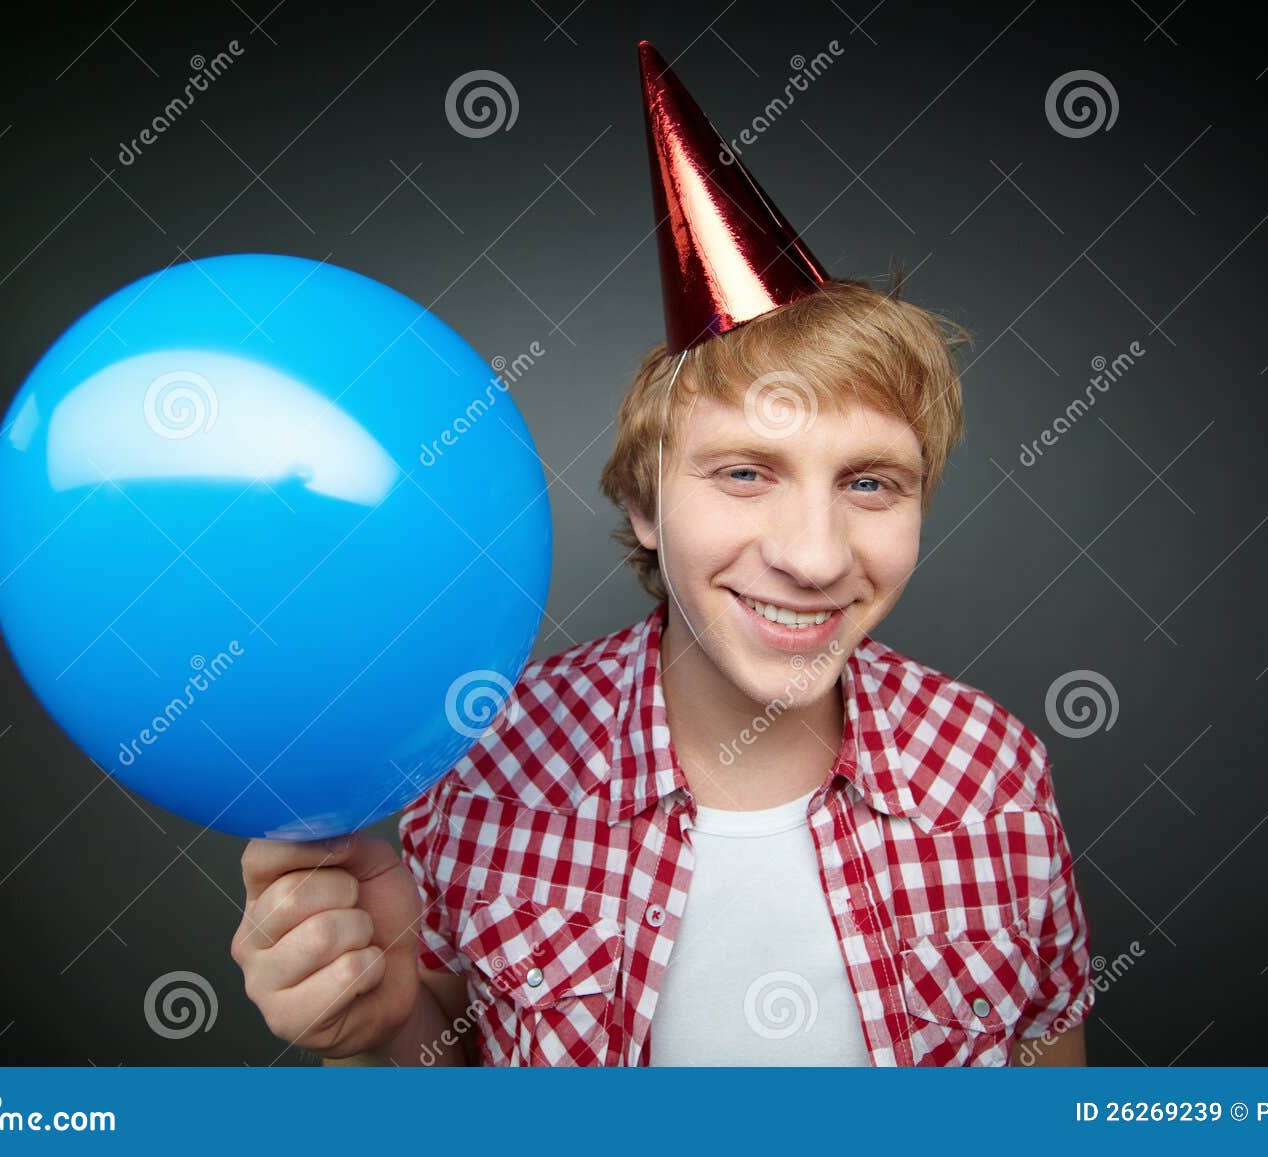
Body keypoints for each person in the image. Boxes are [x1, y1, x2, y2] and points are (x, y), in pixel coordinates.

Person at [230, 40, 1093, 1068]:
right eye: (743, 473)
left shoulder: (992, 769)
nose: (815, 557)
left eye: (868, 482)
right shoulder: (485, 764)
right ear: (642, 502)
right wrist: (374, 1034)